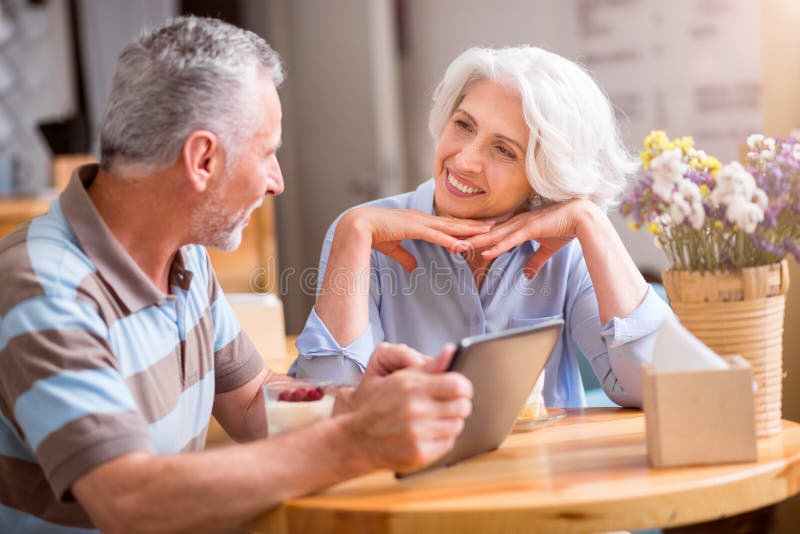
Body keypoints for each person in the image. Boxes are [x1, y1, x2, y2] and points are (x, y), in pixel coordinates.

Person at [0, 17, 476, 533]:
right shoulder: (43, 288)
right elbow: (127, 500)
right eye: (267, 152)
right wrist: (357, 442)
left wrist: (360, 406)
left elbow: (252, 401)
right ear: (202, 159)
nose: (278, 181)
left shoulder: (184, 255)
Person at [291, 46, 672, 408]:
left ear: (545, 177)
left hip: (546, 474)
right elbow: (332, 403)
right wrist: (352, 230)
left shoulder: (565, 245)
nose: (466, 159)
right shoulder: (364, 235)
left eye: (503, 150)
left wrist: (591, 220)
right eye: (463, 125)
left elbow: (657, 385)